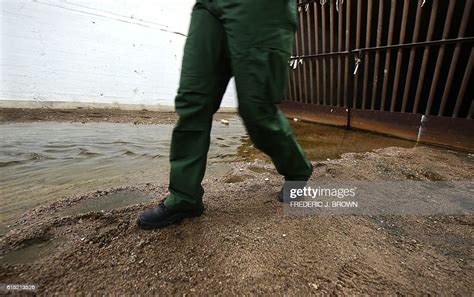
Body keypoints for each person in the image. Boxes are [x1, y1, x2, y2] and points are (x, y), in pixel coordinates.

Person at [137, 0, 312, 229]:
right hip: (209, 6)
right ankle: (184, 196)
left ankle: (297, 170)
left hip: (262, 8)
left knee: (257, 109)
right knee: (193, 101)